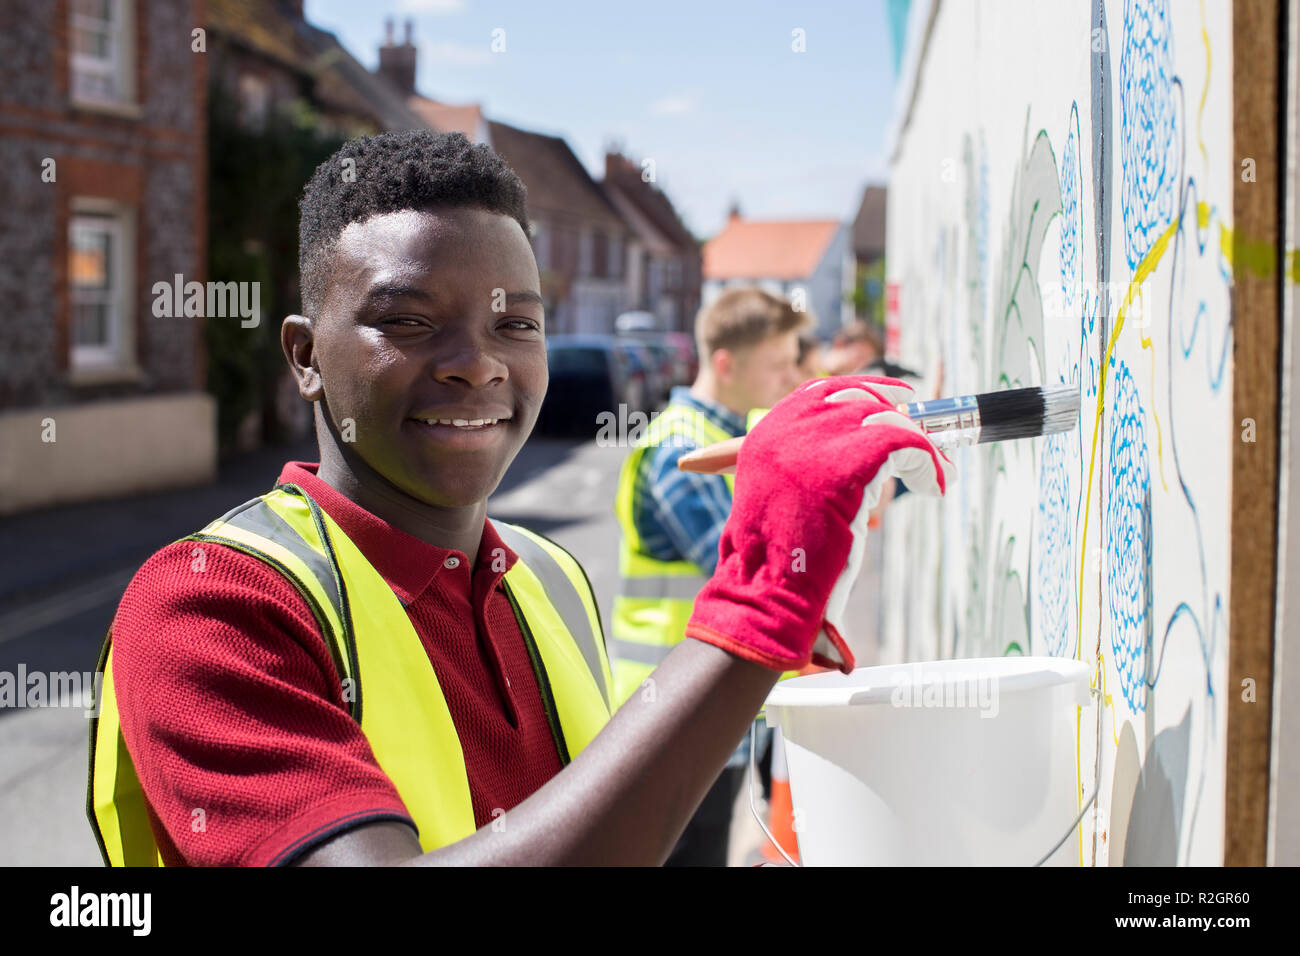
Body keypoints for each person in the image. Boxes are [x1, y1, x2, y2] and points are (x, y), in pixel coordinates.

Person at [88, 130, 955, 866]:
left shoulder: (548, 578)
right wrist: (761, 603)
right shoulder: (208, 605)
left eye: (517, 324)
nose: (479, 362)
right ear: (306, 357)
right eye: (411, 321)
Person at [610, 287, 807, 865]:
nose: (791, 376)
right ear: (726, 363)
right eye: (779, 364)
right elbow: (756, 575)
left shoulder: (731, 440)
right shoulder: (682, 450)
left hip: (706, 713)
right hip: (673, 718)